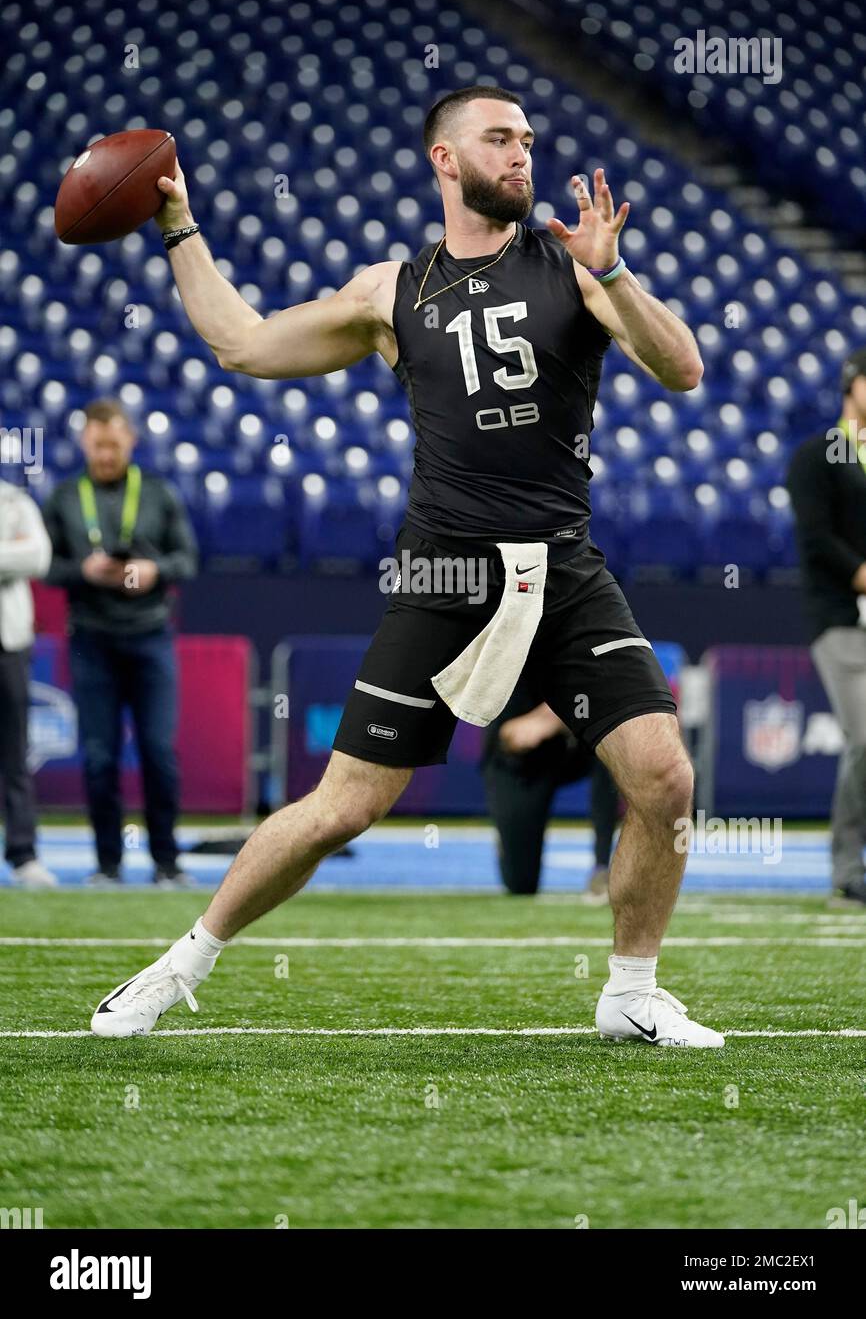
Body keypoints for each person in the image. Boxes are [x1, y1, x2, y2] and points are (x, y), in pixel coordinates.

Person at [92, 85, 722, 1048]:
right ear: (444, 159)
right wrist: (178, 227)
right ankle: (183, 965)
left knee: (664, 776)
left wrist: (622, 273)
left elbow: (683, 370)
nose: (521, 154)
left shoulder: (575, 264)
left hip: (561, 566)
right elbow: (242, 344)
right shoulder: (393, 290)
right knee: (343, 809)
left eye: (528, 140)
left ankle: (631, 988)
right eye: (499, 139)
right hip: (446, 573)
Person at [41, 399, 198, 887]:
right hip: (91, 640)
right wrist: (82, 572)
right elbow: (46, 566)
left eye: (114, 444)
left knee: (158, 752)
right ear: (85, 443)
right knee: (99, 755)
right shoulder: (65, 497)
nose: (106, 453)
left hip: (150, 635)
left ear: (130, 440)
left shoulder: (158, 493)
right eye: (97, 445)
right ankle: (108, 866)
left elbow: (188, 559)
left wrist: (154, 571)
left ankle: (166, 864)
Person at [787, 348, 866, 906]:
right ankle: (847, 866)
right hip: (841, 619)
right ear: (852, 385)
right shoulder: (818, 456)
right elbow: (815, 538)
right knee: (865, 737)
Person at [482, 674, 619, 897]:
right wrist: (567, 708)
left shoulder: (588, 649)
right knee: (521, 883)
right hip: (519, 763)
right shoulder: (512, 660)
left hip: (576, 744)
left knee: (613, 742)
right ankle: (508, 836)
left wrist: (553, 715)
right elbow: (515, 736)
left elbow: (613, 696)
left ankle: (601, 867)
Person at [0, 478, 55, 888]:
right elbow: (19, 555)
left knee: (15, 752)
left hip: (9, 641)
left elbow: (37, 556)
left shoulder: (12, 498)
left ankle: (23, 853)